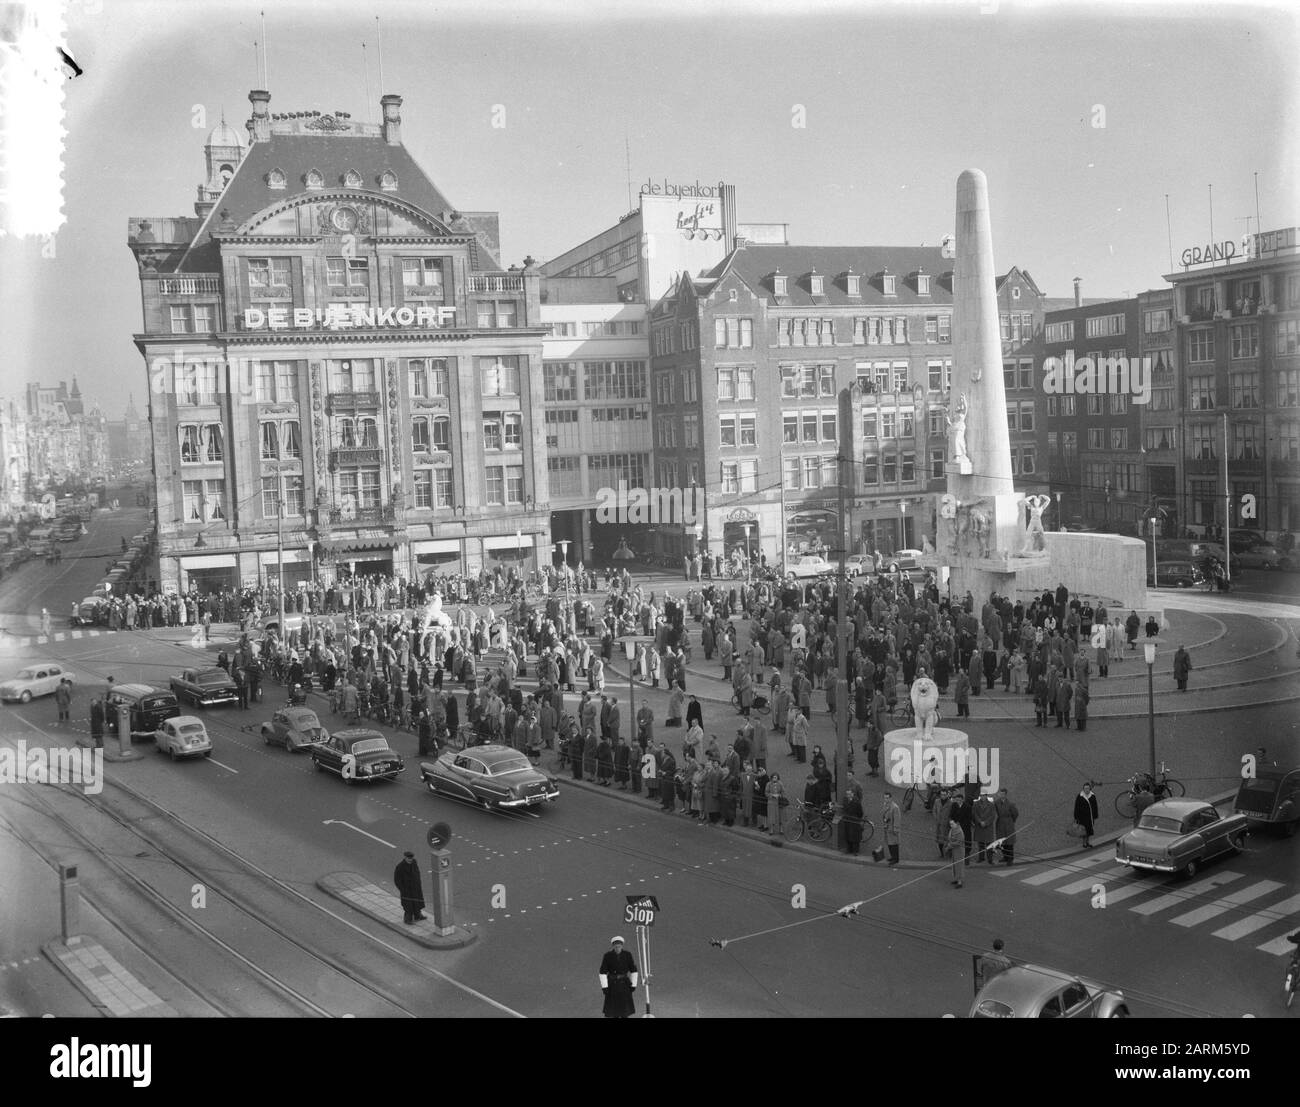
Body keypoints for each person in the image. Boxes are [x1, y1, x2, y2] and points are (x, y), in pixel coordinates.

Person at [599, 936, 639, 1018]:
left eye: (619, 946)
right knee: (613, 1011)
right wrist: (604, 987)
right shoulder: (607, 956)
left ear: (622, 946)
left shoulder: (628, 955)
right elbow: (602, 972)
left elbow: (633, 970)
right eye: (616, 946)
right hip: (612, 986)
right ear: (613, 946)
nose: (618, 948)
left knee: (625, 1010)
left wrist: (633, 984)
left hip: (624, 984)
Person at [393, 851, 427, 924]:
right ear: (405, 857)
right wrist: (403, 889)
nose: (410, 860)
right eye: (408, 858)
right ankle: (408, 919)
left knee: (417, 902)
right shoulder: (400, 867)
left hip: (415, 887)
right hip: (407, 890)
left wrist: (418, 883)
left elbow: (417, 872)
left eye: (411, 858)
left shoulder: (414, 862)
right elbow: (397, 880)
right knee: (408, 905)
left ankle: (418, 915)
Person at [994, 787, 1018, 865]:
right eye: (1000, 793)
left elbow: (1015, 814)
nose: (1001, 795)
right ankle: (1005, 857)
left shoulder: (1010, 804)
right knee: (1002, 842)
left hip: (1008, 823)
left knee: (1009, 842)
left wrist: (1011, 821)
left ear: (1005, 795)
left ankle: (1010, 859)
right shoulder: (996, 802)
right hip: (1000, 823)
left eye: (1003, 794)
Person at [1073, 781, 1100, 848]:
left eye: (1088, 788)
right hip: (1083, 817)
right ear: (1083, 789)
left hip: (1090, 817)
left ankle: (1087, 842)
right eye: (1085, 788)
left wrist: (1095, 815)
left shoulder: (1092, 795)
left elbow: (1095, 806)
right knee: (1084, 831)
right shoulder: (1080, 796)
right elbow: (1076, 807)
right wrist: (1076, 817)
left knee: (1089, 830)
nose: (1086, 790)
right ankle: (1084, 843)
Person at [972, 791, 996, 863]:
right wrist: (980, 822)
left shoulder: (991, 805)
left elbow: (993, 816)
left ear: (986, 796)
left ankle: (990, 859)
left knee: (989, 844)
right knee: (981, 843)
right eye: (981, 795)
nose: (982, 797)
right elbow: (974, 814)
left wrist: (986, 822)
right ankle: (981, 858)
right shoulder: (976, 804)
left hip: (988, 827)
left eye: (984, 795)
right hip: (979, 826)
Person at [842, 789, 865, 855]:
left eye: (849, 794)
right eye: (847, 794)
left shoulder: (856, 802)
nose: (848, 795)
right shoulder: (845, 800)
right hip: (847, 819)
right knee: (848, 835)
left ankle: (855, 851)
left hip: (854, 820)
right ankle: (849, 849)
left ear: (852, 794)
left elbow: (860, 812)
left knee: (855, 836)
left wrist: (857, 818)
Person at [947, 817, 966, 888]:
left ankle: (960, 882)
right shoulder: (952, 829)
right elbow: (949, 838)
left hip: (959, 850)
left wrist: (950, 845)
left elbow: (959, 842)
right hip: (954, 850)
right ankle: (956, 878)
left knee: (959, 865)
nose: (951, 826)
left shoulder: (959, 831)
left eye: (952, 824)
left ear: (956, 823)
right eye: (950, 824)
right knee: (955, 865)